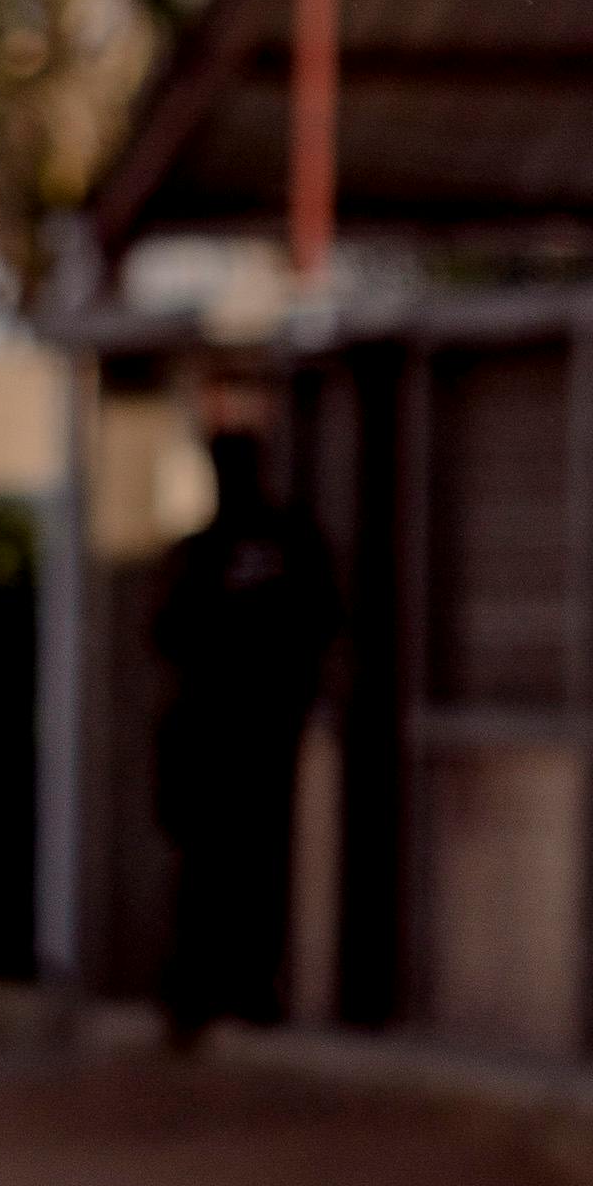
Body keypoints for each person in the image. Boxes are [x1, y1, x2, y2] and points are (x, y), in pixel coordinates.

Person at [149, 426, 342, 1050]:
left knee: (222, 868)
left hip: (237, 731)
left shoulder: (217, 548)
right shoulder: (269, 541)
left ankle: (220, 992)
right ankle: (221, 992)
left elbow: (167, 634)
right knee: (242, 866)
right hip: (244, 733)